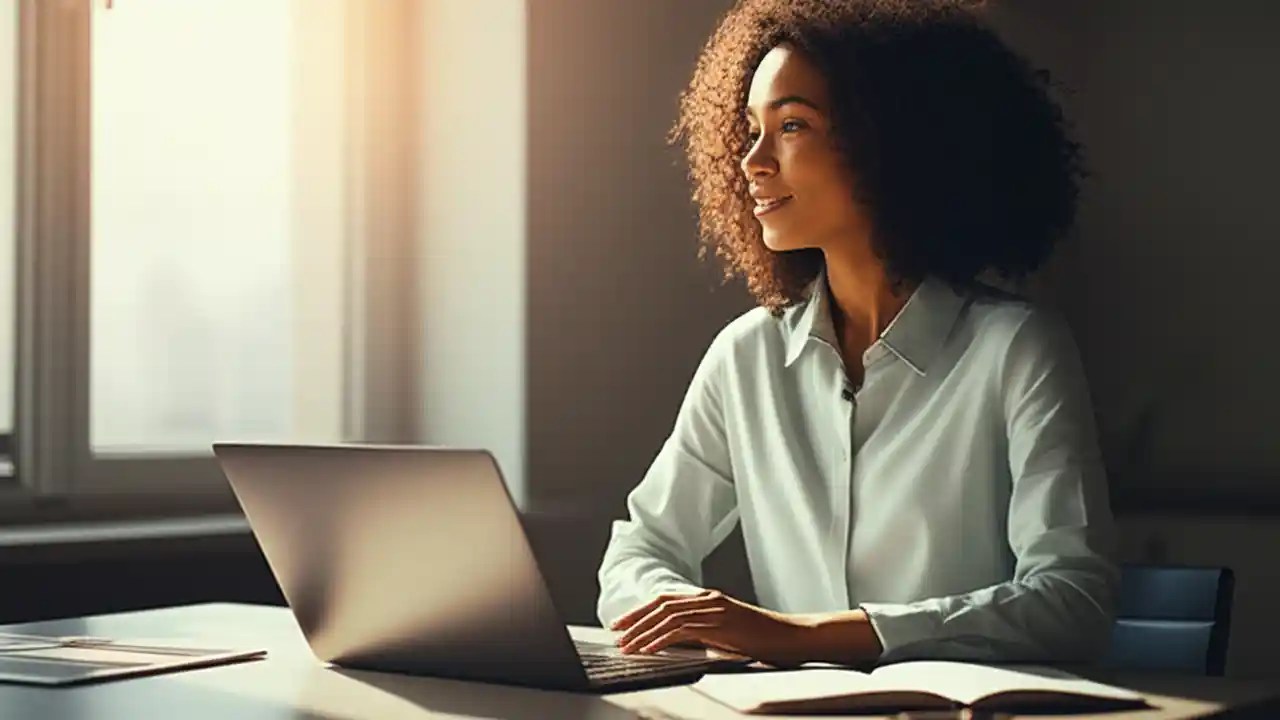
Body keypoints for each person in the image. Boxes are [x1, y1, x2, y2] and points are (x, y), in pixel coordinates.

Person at [596, 0, 1118, 668]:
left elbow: (1073, 603)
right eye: (749, 129)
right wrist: (682, 613)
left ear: (891, 139)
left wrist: (804, 636)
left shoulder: (1017, 350)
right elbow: (638, 553)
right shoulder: (745, 358)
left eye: (791, 125)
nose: (752, 160)